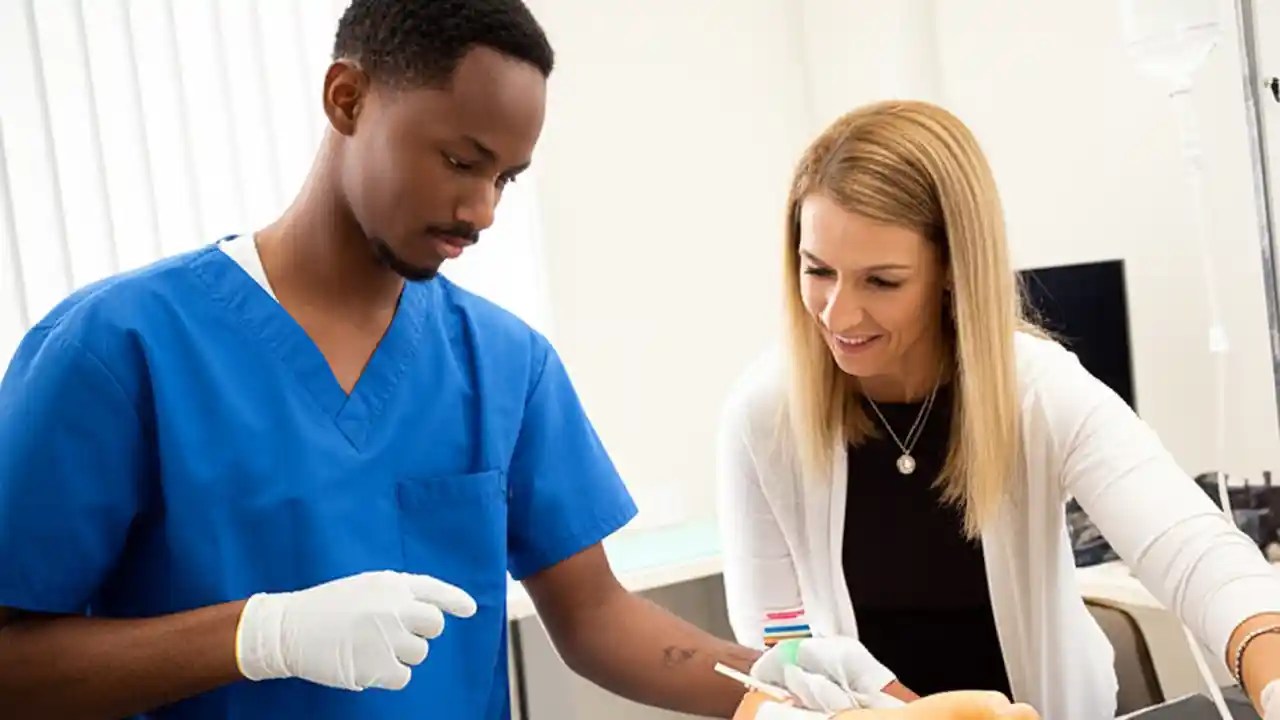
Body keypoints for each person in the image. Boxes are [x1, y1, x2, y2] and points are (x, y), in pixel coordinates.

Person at [0, 2, 860, 718]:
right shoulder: (118, 352)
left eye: (507, 179)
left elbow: (596, 617)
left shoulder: (504, 364)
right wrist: (258, 636)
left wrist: (766, 687)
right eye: (460, 161)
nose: (481, 209)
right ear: (346, 99)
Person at [716, 99, 1280, 719]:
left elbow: (1195, 552)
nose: (837, 314)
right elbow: (775, 660)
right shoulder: (764, 417)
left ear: (952, 269)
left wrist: (1268, 664)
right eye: (818, 271)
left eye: (882, 281)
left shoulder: (1038, 391)